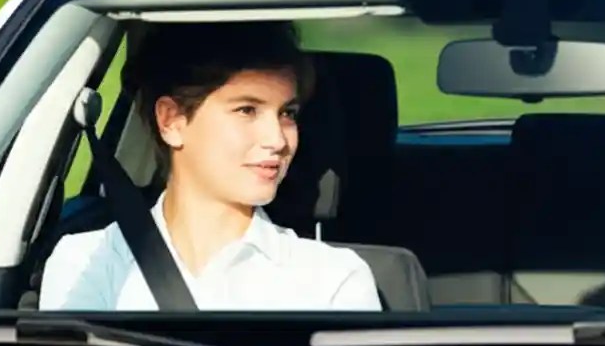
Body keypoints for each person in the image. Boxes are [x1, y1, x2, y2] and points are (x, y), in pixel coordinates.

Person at [39, 22, 382, 311]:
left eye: (287, 113)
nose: (278, 140)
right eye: (247, 110)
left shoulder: (334, 280)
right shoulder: (88, 263)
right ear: (172, 121)